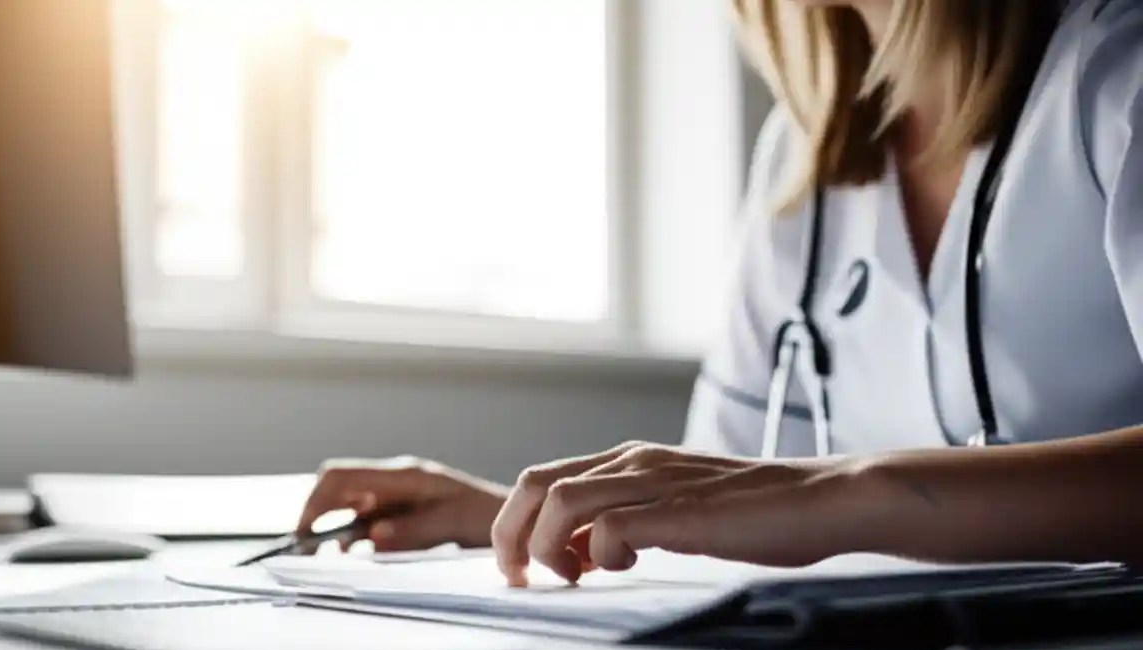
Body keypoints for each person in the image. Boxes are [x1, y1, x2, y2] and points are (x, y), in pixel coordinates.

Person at [298, 0, 1143, 587]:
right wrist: (529, 517)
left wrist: (853, 493)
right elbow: (724, 503)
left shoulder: (1117, 73)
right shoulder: (801, 158)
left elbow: (798, 500)